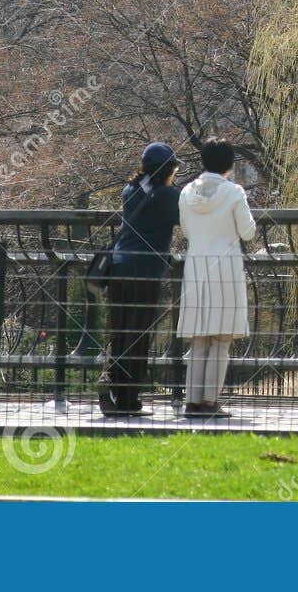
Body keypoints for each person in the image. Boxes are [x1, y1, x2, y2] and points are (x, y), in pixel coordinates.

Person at [175, 138, 258, 417]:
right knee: (221, 339)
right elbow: (247, 232)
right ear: (230, 164)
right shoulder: (234, 192)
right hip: (226, 268)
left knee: (199, 338)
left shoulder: (186, 192)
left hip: (196, 265)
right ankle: (210, 402)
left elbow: (186, 230)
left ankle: (191, 401)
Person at [99, 142, 181, 416]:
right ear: (169, 169)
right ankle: (128, 400)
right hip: (145, 272)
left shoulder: (129, 190)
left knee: (120, 331)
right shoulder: (169, 196)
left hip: (118, 268)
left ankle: (111, 383)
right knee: (139, 335)